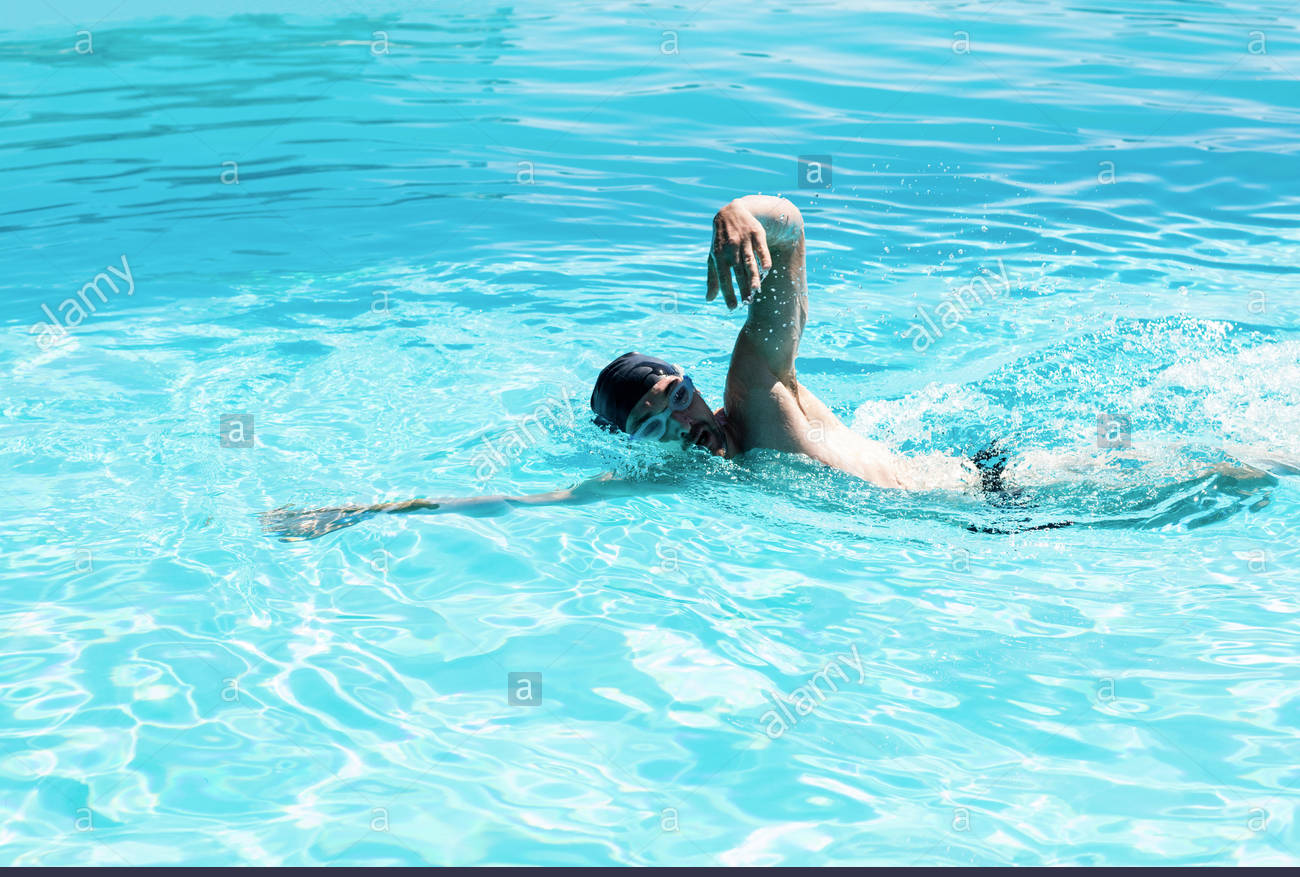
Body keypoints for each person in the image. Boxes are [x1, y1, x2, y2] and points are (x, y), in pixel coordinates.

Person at [261, 194, 1274, 542]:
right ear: (639, 435)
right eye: (649, 406)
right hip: (995, 516)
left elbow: (792, 242)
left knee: (1254, 468)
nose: (672, 399)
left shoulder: (753, 387)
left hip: (1019, 482)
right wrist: (378, 509)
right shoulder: (698, 468)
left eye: (669, 381)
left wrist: (740, 213)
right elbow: (533, 499)